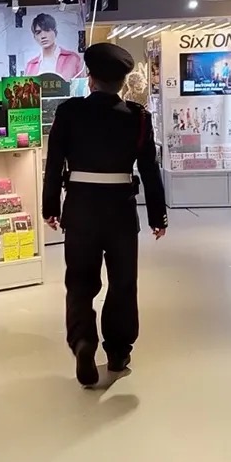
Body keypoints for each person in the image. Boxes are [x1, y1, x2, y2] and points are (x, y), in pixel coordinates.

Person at [43, 42, 167, 387]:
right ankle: (118, 351)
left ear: (89, 77)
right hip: (120, 209)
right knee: (123, 282)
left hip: (81, 207)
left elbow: (54, 165)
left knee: (80, 282)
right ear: (123, 81)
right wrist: (159, 216)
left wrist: (50, 207)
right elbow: (150, 170)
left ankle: (83, 341)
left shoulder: (68, 113)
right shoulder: (138, 118)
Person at [23, 13, 83, 80]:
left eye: (47, 30)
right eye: (38, 32)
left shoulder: (73, 59)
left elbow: (81, 87)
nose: (43, 36)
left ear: (55, 32)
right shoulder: (31, 65)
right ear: (34, 37)